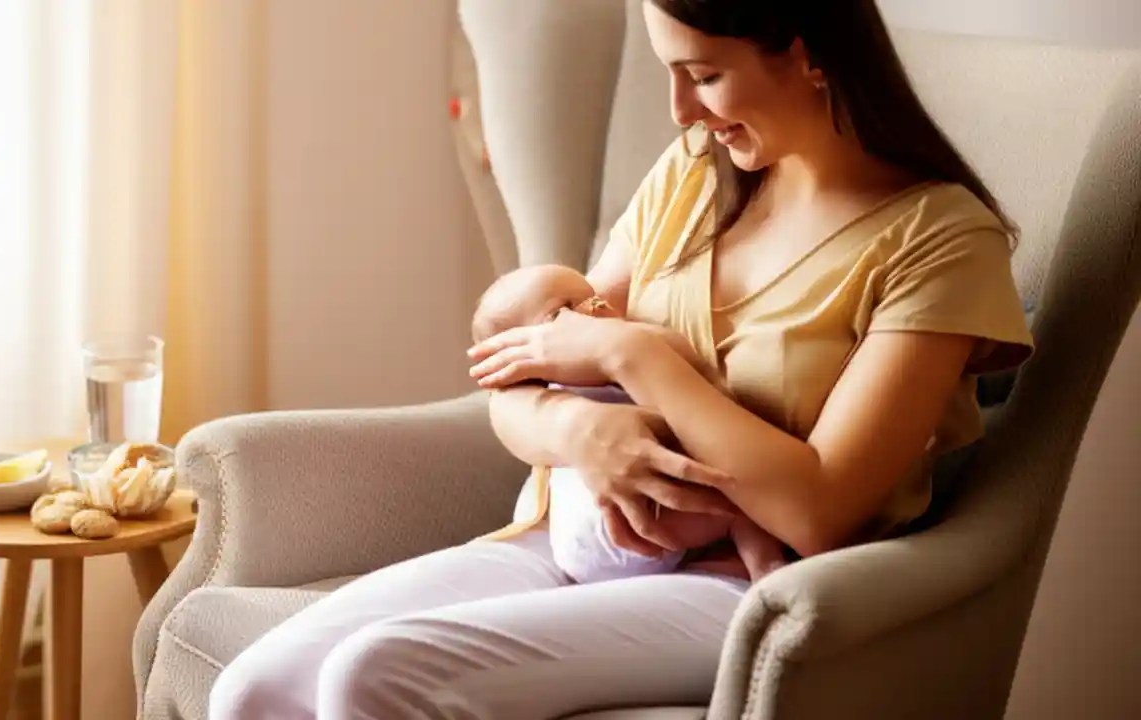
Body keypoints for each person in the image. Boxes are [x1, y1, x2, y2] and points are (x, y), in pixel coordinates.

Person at [209, 1, 1034, 717]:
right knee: (253, 691)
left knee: (376, 674)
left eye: (703, 75)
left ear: (807, 52)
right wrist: (580, 434)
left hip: (751, 588)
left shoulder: (940, 239)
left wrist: (636, 354)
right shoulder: (694, 178)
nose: (678, 109)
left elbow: (819, 508)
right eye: (670, 73)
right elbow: (518, 377)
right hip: (571, 541)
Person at [470, 263, 787, 584]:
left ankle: (764, 567)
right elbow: (506, 402)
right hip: (597, 532)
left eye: (592, 296)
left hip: (630, 533)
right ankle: (762, 561)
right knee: (734, 505)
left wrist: (628, 346)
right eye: (561, 313)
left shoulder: (613, 360)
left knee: (737, 497)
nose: (597, 306)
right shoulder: (561, 382)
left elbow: (683, 369)